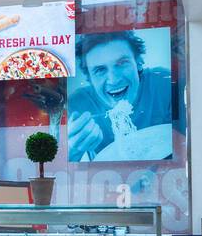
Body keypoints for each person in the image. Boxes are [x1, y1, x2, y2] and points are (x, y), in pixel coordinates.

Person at [67, 31, 173, 161]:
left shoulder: (164, 83)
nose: (113, 80)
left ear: (139, 62)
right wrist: (73, 149)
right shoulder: (77, 104)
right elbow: (59, 166)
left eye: (122, 63)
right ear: (89, 78)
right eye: (100, 70)